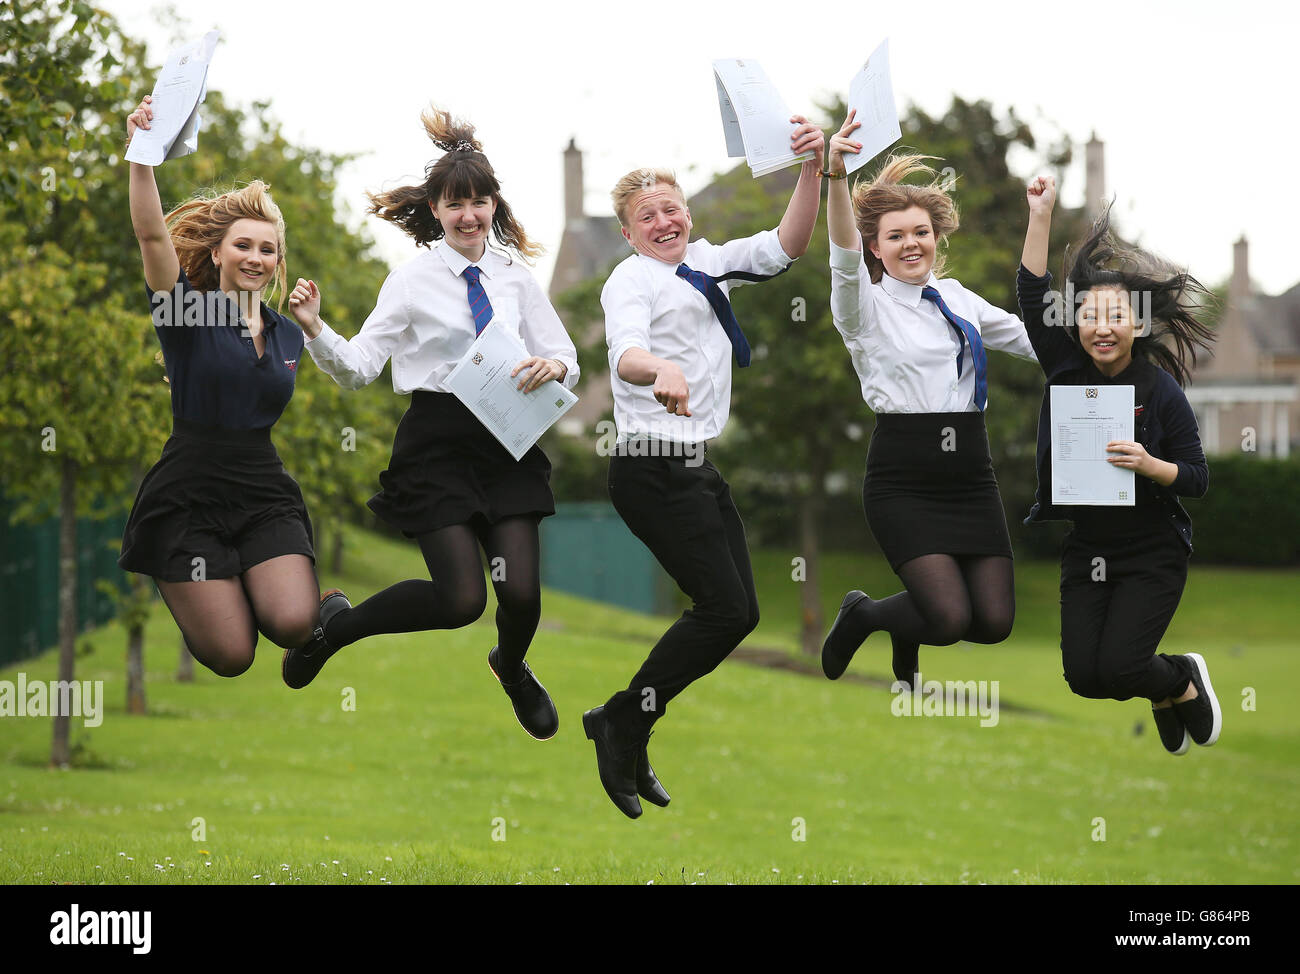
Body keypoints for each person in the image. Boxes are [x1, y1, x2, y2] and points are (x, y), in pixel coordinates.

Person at [281, 107, 578, 744]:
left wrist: (552, 365)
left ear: (493, 205)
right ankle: (335, 629)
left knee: (520, 593)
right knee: (462, 601)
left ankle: (511, 663)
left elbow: (569, 358)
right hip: (437, 446)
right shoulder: (411, 280)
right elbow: (360, 367)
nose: (469, 215)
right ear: (436, 211)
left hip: (507, 437)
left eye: (479, 202)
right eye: (455, 204)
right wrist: (314, 329)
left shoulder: (516, 280)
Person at [583, 116, 825, 818]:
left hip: (695, 465)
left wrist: (813, 168)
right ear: (628, 234)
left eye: (671, 208)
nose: (663, 221)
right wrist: (660, 366)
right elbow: (626, 356)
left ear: (687, 214)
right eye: (646, 216)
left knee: (739, 612)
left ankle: (626, 721)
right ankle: (625, 723)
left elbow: (790, 244)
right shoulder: (632, 281)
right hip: (648, 468)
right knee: (722, 611)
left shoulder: (712, 263)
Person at [820, 111, 1039, 689]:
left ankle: (893, 622)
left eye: (920, 231)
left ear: (936, 236)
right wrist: (834, 176)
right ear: (877, 246)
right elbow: (841, 255)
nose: (910, 243)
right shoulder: (862, 307)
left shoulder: (958, 297)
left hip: (970, 471)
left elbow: (1033, 342)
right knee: (946, 618)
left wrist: (1110, 347)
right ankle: (865, 613)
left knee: (992, 622)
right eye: (895, 235)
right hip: (904, 474)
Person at [118, 94, 321, 678]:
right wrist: (142, 157)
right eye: (243, 245)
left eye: (267, 248)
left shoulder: (288, 335)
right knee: (232, 656)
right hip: (188, 495)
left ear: (277, 260)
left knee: (293, 623)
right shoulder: (186, 315)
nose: (255, 257)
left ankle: (308, 607)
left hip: (262, 492)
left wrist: (316, 325)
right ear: (218, 252)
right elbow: (154, 240)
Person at [1019, 175, 1220, 754]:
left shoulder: (1161, 391)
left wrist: (1150, 464)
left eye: (1115, 317)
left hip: (1152, 549)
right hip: (1090, 549)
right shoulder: (1063, 365)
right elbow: (1031, 295)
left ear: (1136, 323)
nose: (1101, 328)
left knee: (1123, 665)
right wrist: (1040, 215)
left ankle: (1179, 676)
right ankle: (1165, 686)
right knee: (1087, 677)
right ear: (1075, 321)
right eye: (1089, 316)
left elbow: (1198, 477)